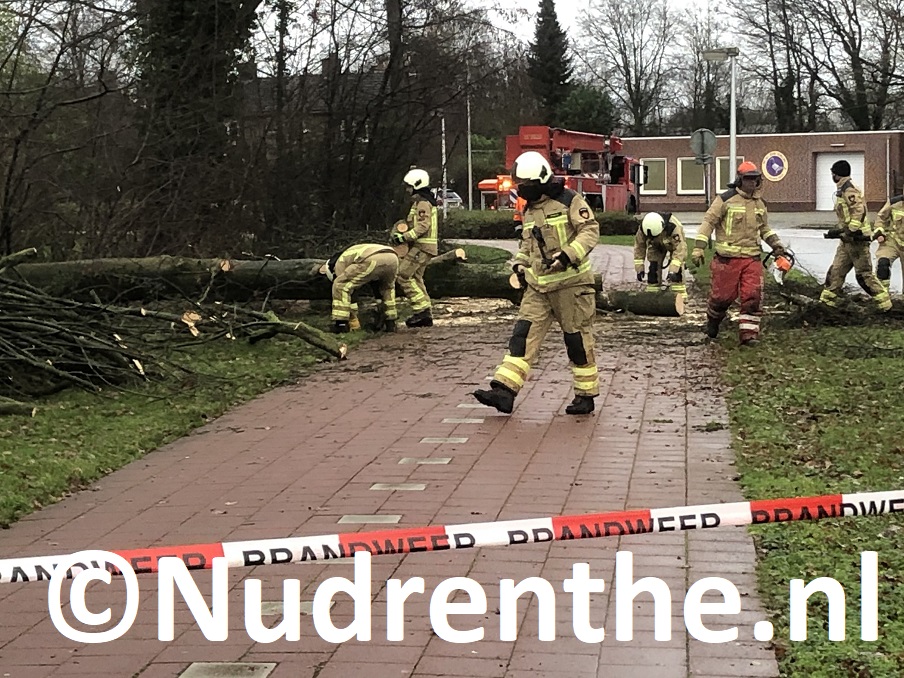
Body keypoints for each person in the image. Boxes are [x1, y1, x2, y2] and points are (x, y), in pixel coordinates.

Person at [472, 151, 600, 416]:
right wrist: (519, 264)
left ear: (541, 180)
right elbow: (528, 245)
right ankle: (504, 392)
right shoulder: (529, 209)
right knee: (522, 337)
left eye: (525, 185)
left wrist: (567, 255)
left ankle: (585, 396)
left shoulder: (570, 201)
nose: (521, 190)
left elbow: (590, 231)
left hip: (571, 286)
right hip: (538, 288)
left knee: (577, 342)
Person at [691, 161, 787, 346]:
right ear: (740, 180)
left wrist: (776, 244)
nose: (752, 183)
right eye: (748, 179)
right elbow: (708, 223)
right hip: (727, 260)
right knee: (722, 298)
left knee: (753, 296)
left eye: (755, 179)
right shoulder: (725, 199)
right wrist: (698, 248)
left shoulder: (760, 204)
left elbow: (764, 228)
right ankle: (713, 321)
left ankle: (749, 336)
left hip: (752, 259)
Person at [819, 160, 891, 311]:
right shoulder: (842, 189)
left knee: (864, 276)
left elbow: (859, 211)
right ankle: (825, 306)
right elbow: (846, 216)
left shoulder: (849, 190)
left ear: (837, 174)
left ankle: (886, 307)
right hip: (847, 241)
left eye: (833, 173)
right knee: (836, 272)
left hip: (857, 240)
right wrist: (839, 231)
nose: (832, 175)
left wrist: (851, 230)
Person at [391, 169, 439, 327]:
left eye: (409, 187)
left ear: (417, 185)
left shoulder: (423, 203)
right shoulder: (421, 202)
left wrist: (404, 237)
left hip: (422, 246)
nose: (407, 190)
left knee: (402, 275)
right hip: (423, 246)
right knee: (417, 279)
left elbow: (423, 226)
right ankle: (426, 314)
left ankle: (422, 311)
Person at [316, 243, 399, 333]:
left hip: (372, 258)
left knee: (340, 285)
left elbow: (347, 290)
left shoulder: (339, 264)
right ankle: (390, 322)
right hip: (393, 258)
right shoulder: (349, 256)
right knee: (387, 288)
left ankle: (341, 324)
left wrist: (352, 314)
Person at [634, 212, 688, 299]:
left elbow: (679, 250)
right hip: (655, 245)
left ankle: (680, 296)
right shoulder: (643, 228)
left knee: (677, 270)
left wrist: (673, 270)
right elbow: (639, 247)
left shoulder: (673, 228)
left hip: (672, 242)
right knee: (653, 268)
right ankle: (652, 295)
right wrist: (639, 268)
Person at [869, 193, 904, 292]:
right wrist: (879, 232)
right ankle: (882, 295)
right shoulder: (894, 203)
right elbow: (881, 218)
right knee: (883, 264)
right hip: (892, 241)